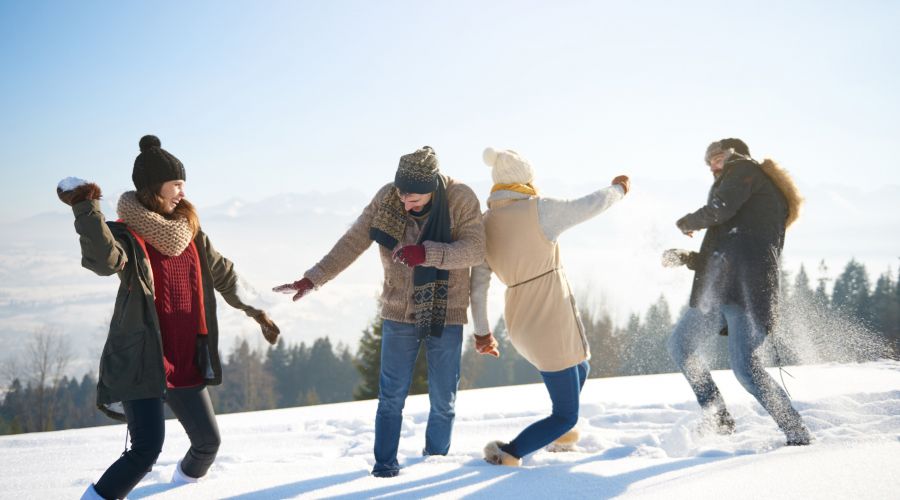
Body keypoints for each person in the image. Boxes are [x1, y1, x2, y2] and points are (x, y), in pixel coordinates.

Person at [59, 135, 281, 500]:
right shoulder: (126, 234)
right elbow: (103, 260)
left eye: (183, 184)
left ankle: (181, 490)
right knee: (145, 451)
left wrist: (257, 311)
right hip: (144, 359)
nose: (182, 192)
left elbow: (225, 274)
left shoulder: (191, 233)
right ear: (153, 188)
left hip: (184, 357)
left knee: (208, 443)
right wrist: (85, 208)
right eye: (176, 184)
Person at [273, 146, 485, 478]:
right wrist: (313, 278)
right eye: (402, 196)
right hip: (398, 309)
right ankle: (384, 466)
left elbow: (474, 249)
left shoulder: (460, 198)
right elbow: (353, 240)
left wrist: (426, 253)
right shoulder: (387, 197)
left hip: (446, 309)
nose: (405, 204)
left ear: (432, 188)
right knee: (390, 398)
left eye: (413, 199)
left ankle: (434, 462)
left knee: (444, 400)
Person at [470, 147, 629, 466]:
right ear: (527, 180)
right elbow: (589, 206)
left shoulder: (485, 224)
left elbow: (478, 286)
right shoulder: (537, 210)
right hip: (549, 318)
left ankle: (558, 435)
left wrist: (483, 333)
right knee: (566, 415)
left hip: (520, 318)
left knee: (581, 366)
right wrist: (618, 189)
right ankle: (510, 453)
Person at [663, 138, 810, 445]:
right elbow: (725, 249)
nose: (713, 165)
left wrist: (689, 221)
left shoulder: (745, 171)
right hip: (720, 290)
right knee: (681, 345)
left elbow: (721, 210)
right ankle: (718, 416)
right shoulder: (740, 195)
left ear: (735, 154)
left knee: (745, 368)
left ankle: (795, 430)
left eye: (717, 157)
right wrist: (689, 258)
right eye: (709, 162)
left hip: (749, 291)